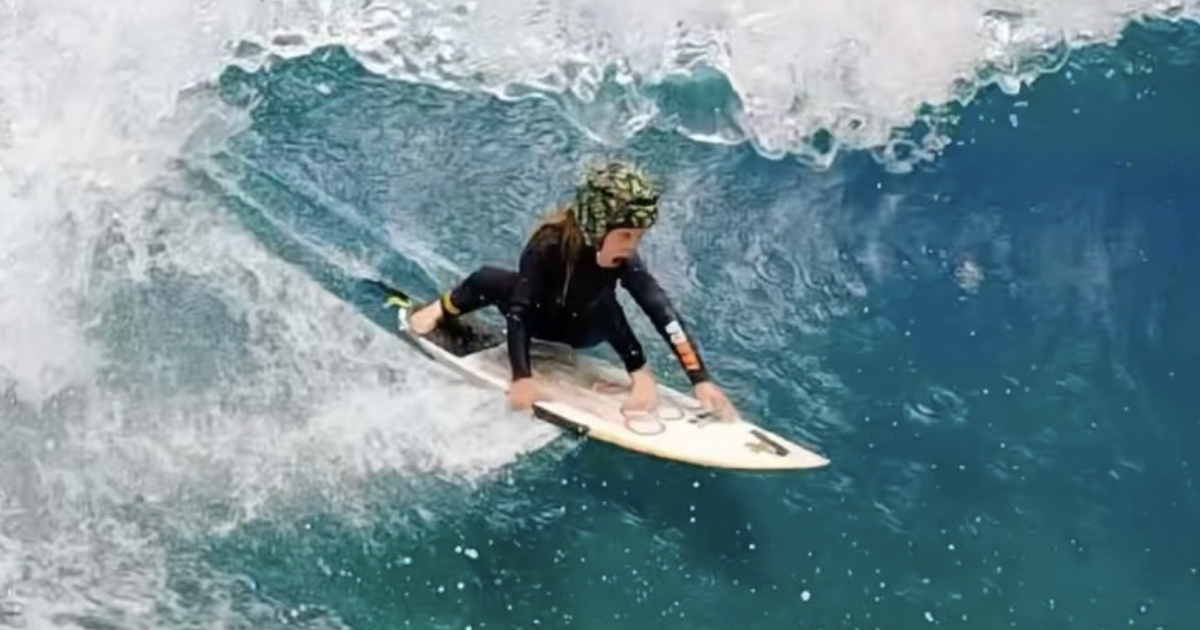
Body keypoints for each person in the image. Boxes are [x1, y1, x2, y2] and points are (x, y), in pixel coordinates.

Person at [407, 160, 736, 418]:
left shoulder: (624, 261)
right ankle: (441, 308)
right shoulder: (547, 246)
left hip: (581, 332)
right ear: (597, 227)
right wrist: (522, 377)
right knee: (488, 278)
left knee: (604, 303)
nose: (632, 245)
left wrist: (700, 379)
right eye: (625, 235)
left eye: (638, 236)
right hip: (537, 320)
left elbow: (661, 310)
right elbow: (520, 312)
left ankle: (641, 373)